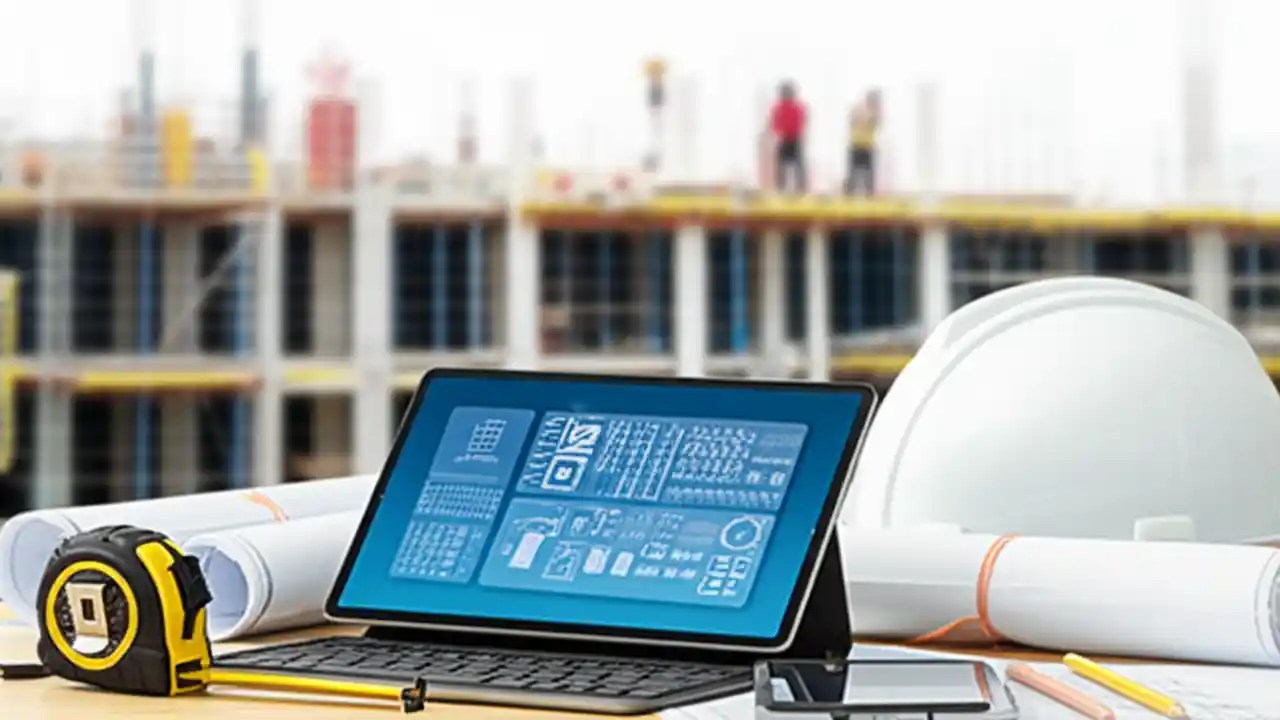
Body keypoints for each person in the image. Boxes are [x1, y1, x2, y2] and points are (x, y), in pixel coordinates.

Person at [769, 81, 807, 193]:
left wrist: (799, 132)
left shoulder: (798, 107)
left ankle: (800, 188)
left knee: (798, 165)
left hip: (795, 138)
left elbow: (802, 121)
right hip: (784, 138)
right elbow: (774, 122)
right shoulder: (778, 107)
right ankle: (780, 188)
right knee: (781, 165)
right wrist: (778, 132)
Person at [846, 89, 881, 196]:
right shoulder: (858, 109)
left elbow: (874, 122)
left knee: (869, 179)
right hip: (856, 145)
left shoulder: (875, 112)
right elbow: (852, 120)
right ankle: (849, 196)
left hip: (868, 146)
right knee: (853, 177)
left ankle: (870, 197)